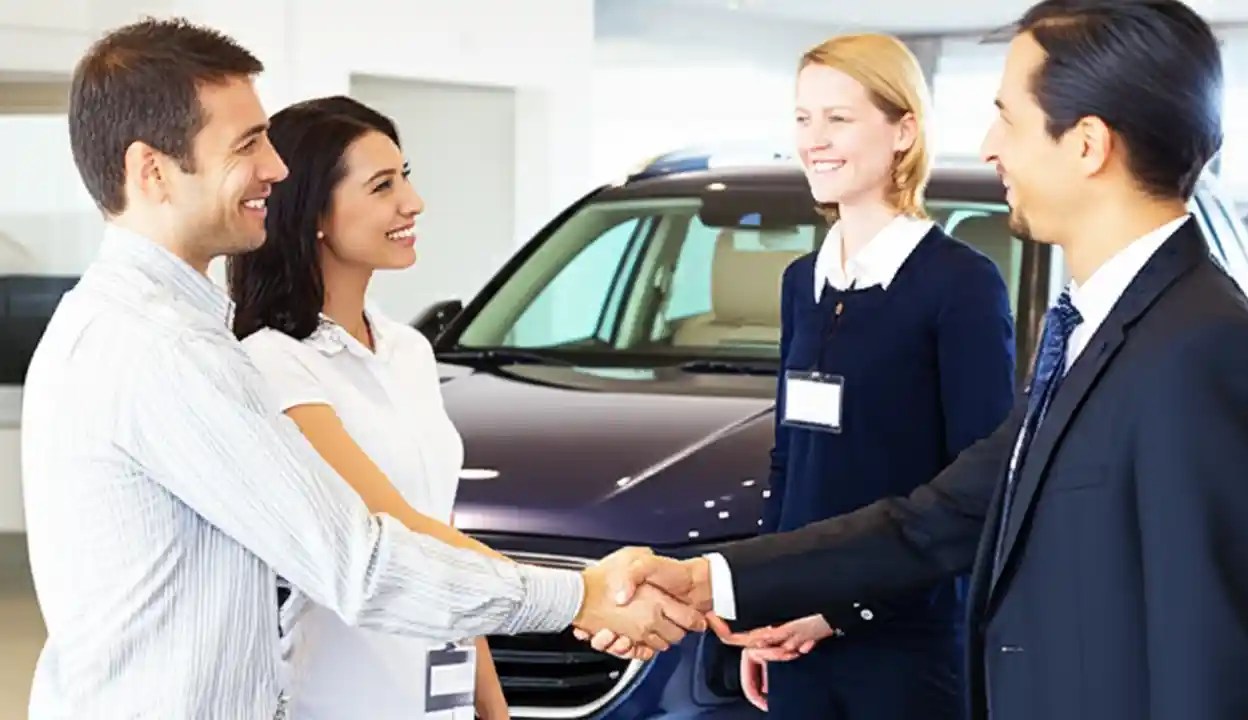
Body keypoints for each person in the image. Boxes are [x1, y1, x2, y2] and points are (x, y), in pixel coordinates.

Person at [588, 1, 1248, 718]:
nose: (988, 146)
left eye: (1007, 118)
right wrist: (711, 580)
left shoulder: (1203, 349)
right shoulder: (1099, 328)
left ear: (1087, 144)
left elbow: (1216, 668)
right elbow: (937, 517)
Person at [19, 18, 700, 719]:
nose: (275, 169)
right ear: (152, 170)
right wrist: (580, 594)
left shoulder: (153, 327)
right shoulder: (165, 350)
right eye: (247, 144)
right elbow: (361, 563)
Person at [726, 32, 1015, 719]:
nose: (813, 140)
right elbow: (789, 463)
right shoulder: (804, 282)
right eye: (803, 118)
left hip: (902, 649)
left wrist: (837, 611)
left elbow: (978, 492)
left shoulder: (961, 285)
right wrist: (765, 602)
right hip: (793, 637)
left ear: (903, 132)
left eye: (838, 118)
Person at [224, 98, 507, 719]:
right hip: (347, 693)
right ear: (312, 215)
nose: (413, 202)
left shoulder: (408, 350)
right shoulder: (274, 363)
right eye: (383, 186)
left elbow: (441, 529)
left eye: (405, 176)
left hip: (440, 685)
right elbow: (397, 530)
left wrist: (493, 709)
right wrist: (575, 593)